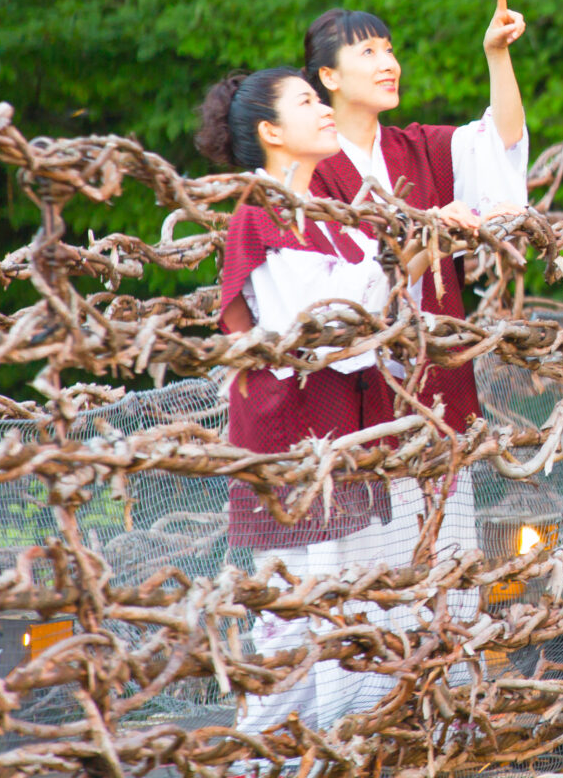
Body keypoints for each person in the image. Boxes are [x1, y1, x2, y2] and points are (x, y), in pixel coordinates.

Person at [302, 0, 530, 642]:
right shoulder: (309, 170)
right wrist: (424, 223)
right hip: (354, 393)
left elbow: (500, 147)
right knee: (365, 584)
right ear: (328, 76)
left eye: (390, 49)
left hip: (434, 379)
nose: (387, 62)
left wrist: (497, 57)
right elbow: (327, 270)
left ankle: (449, 713)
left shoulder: (413, 147)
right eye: (368, 51)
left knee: (450, 567)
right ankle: (369, 722)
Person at [198, 67, 408, 735]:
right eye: (308, 103)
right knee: (297, 615)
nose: (325, 112)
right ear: (270, 131)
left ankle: (338, 745)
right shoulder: (260, 216)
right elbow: (325, 328)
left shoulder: (329, 214)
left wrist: (384, 267)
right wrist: (395, 258)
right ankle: (263, 754)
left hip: (340, 429)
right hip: (293, 441)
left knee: (354, 608)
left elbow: (365, 315)